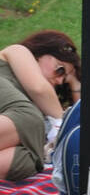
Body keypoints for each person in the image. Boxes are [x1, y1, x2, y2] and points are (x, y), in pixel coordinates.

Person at [0, 30, 81, 181]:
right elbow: (38, 88)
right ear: (42, 52)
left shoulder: (35, 109)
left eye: (64, 80)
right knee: (30, 118)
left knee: (29, 160)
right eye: (60, 69)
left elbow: (81, 119)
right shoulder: (18, 51)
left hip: (14, 119)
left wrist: (74, 82)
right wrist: (61, 124)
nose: (59, 81)